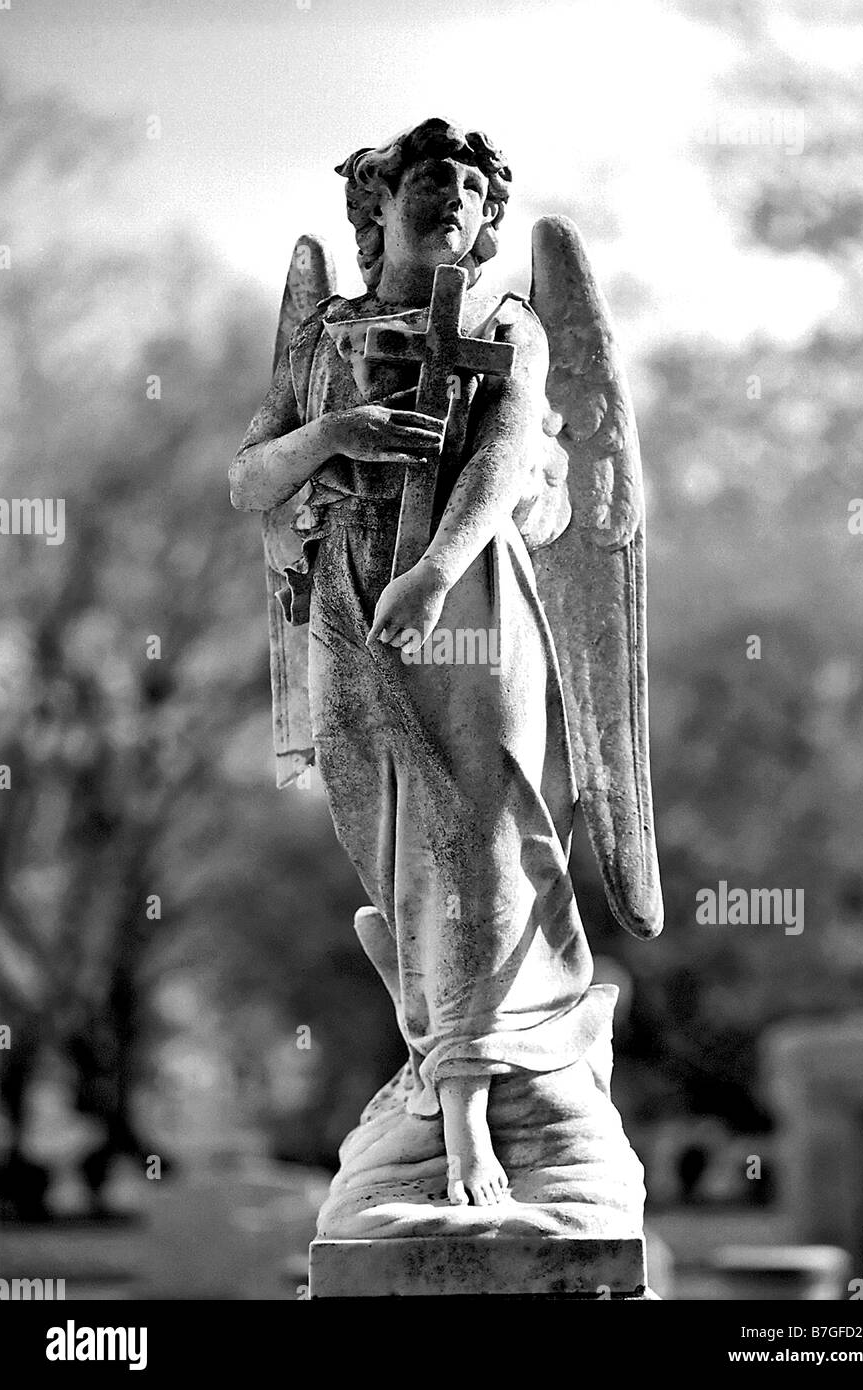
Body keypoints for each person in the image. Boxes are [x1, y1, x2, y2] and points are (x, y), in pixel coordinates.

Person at [230, 119, 608, 1207]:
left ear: (490, 221)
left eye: (471, 199)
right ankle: (431, 1061)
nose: (452, 209)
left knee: (478, 838)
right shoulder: (324, 337)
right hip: (345, 599)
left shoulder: (508, 326)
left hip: (470, 603)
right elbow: (249, 480)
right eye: (428, 191)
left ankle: (470, 1118)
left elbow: (499, 459)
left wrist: (436, 573)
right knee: (393, 854)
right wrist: (330, 436)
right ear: (378, 208)